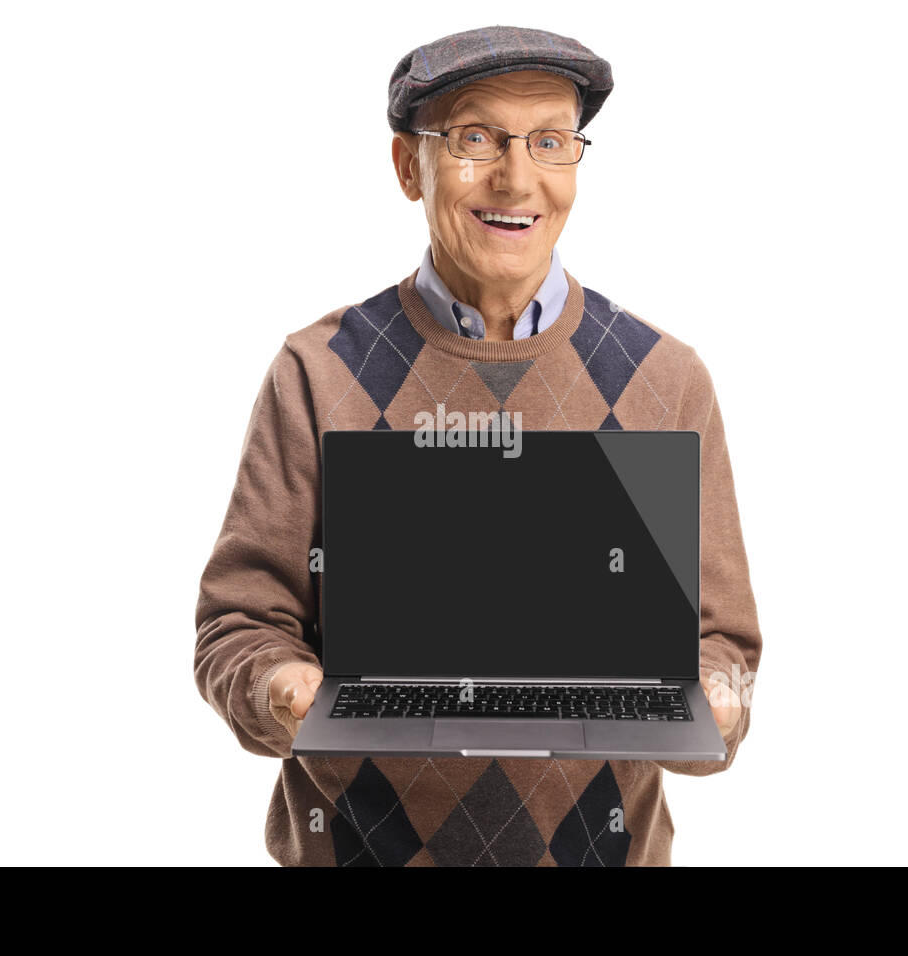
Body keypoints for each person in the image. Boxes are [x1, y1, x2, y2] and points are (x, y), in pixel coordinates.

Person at [194, 24, 762, 866]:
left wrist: (715, 702)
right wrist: (283, 689)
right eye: (475, 139)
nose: (517, 178)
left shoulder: (666, 379)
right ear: (407, 167)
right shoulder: (318, 371)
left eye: (550, 140)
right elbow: (239, 624)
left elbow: (723, 644)